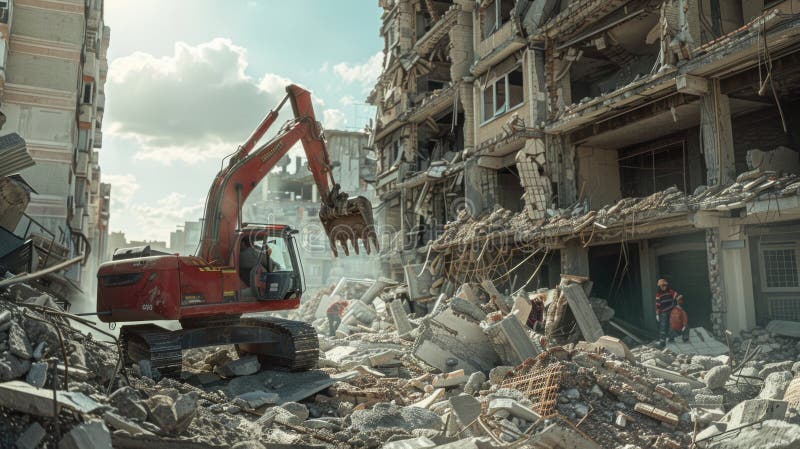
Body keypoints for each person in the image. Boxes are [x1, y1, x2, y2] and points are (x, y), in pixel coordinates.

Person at [655, 278, 683, 348]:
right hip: (663, 313)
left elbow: (677, 296)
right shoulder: (658, 295)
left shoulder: (670, 291)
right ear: (659, 287)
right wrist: (657, 314)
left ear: (666, 285)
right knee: (663, 327)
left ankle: (671, 338)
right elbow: (657, 305)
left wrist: (679, 300)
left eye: (664, 285)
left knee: (672, 325)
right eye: (661, 286)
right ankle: (662, 342)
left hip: (671, 311)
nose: (663, 287)